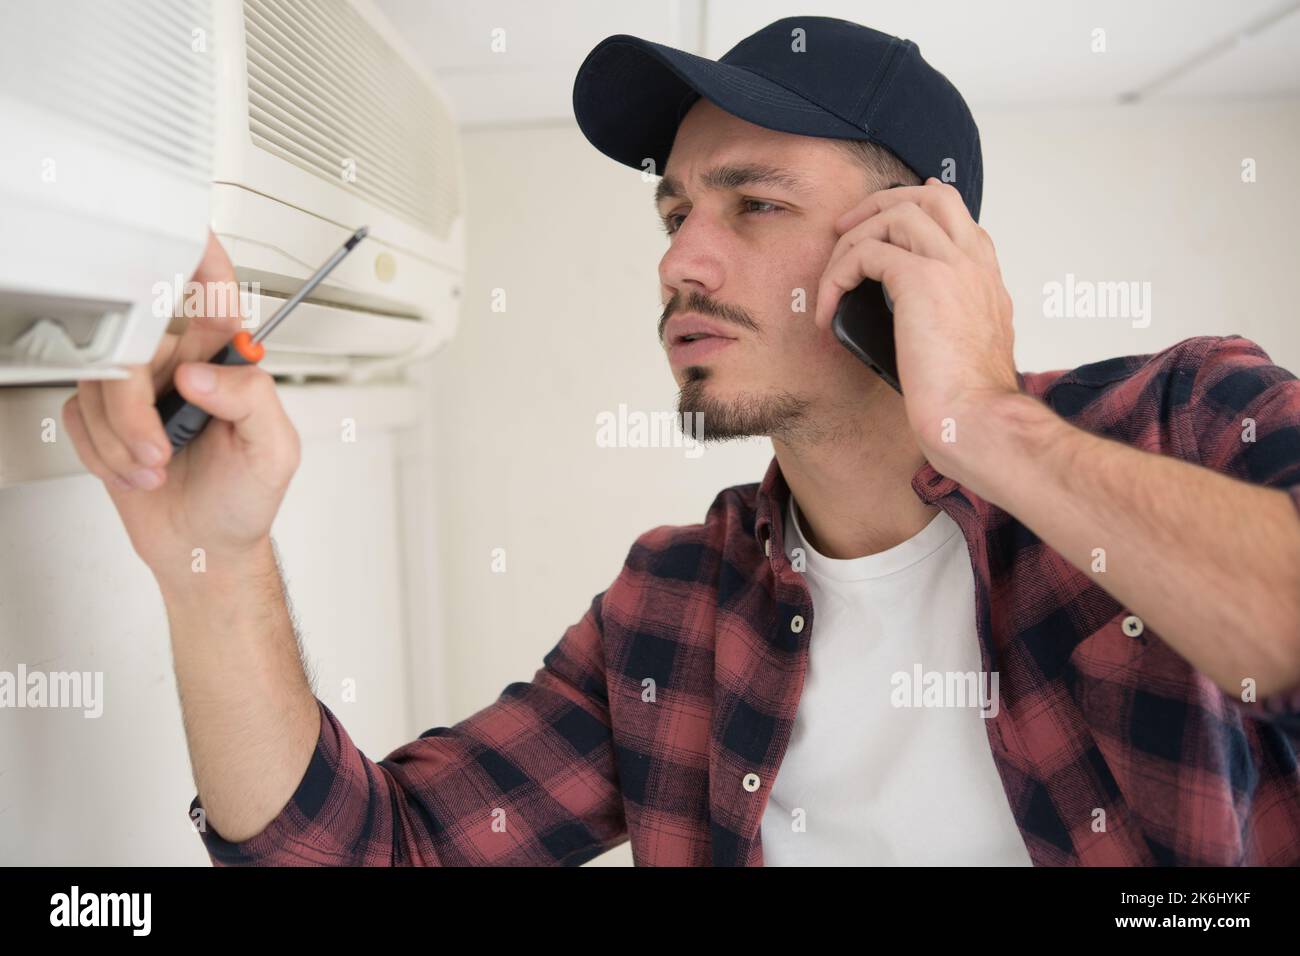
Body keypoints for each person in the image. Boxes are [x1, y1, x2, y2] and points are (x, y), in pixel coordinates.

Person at [64, 17, 1300, 866]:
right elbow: (370, 852)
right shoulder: (671, 609)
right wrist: (212, 565)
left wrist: (985, 420)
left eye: (753, 204)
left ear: (911, 250)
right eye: (674, 211)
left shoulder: (1187, 419)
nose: (675, 262)